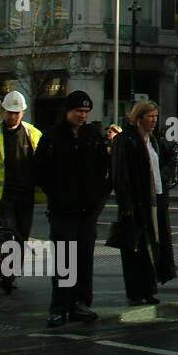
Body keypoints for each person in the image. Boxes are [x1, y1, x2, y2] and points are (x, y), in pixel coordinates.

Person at [34, 91, 115, 327]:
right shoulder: (52, 136)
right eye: (78, 111)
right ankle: (60, 306)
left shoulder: (92, 136)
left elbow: (104, 169)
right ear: (67, 111)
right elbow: (40, 170)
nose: (82, 116)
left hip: (87, 211)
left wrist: (97, 198)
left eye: (86, 112)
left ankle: (81, 303)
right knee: (64, 259)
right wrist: (57, 195)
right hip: (62, 210)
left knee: (83, 259)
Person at [0, 91, 47, 294]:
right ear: (3, 112)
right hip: (5, 197)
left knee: (22, 237)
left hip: (26, 197)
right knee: (11, 236)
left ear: (23, 113)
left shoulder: (33, 134)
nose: (13, 116)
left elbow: (45, 163)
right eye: (10, 112)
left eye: (17, 113)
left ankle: (10, 273)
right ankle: (8, 276)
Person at [111, 100, 177, 306]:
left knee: (153, 245)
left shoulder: (155, 141)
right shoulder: (125, 140)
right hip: (137, 202)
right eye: (150, 117)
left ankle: (149, 288)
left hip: (155, 199)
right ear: (138, 117)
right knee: (136, 247)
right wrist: (126, 204)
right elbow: (120, 174)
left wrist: (164, 177)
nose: (154, 121)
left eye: (156, 117)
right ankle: (135, 292)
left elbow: (170, 158)